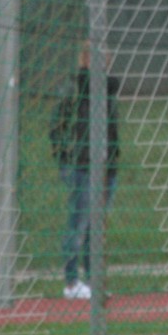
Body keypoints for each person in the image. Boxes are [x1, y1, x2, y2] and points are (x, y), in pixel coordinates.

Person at [49, 40, 120, 301]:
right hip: (81, 167)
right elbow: (57, 126)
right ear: (86, 58)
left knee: (96, 227)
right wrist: (67, 158)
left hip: (106, 169)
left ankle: (92, 281)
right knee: (78, 224)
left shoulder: (108, 90)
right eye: (95, 57)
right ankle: (71, 281)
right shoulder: (74, 88)